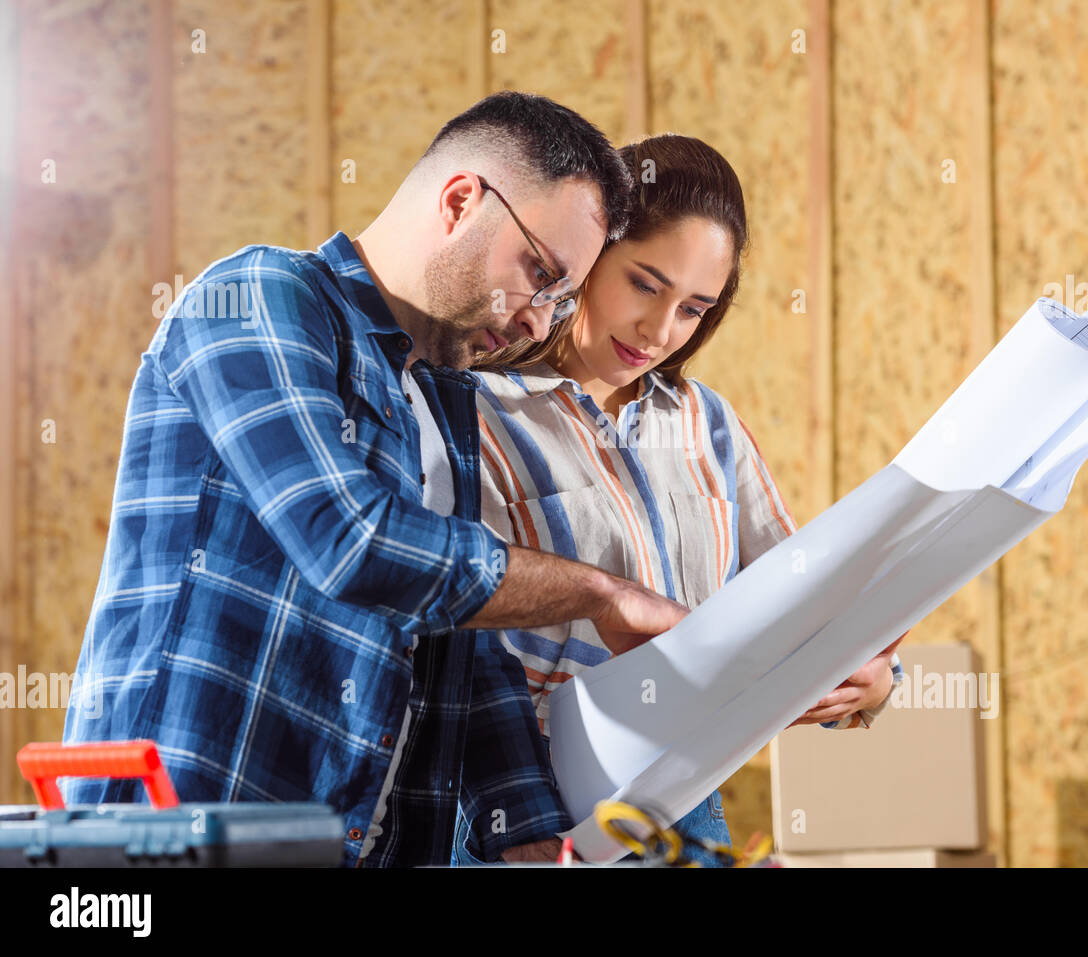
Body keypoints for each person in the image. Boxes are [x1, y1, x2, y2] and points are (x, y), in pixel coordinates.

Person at [60, 91, 689, 868]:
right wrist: (604, 593)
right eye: (539, 273)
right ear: (461, 201)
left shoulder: (448, 405)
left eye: (560, 302)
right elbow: (348, 539)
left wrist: (527, 832)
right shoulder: (259, 297)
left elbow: (462, 630)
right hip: (178, 830)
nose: (537, 321)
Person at [456, 134, 906, 865]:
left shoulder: (707, 424)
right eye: (644, 283)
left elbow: (796, 604)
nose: (660, 331)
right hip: (514, 805)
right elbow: (454, 642)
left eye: (695, 308)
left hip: (683, 804)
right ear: (591, 253)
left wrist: (872, 681)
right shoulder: (478, 412)